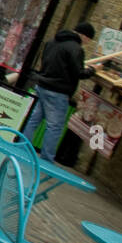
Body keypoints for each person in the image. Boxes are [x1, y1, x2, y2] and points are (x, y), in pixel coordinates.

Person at [21, 21, 97, 162]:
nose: (87, 43)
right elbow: (78, 73)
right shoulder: (76, 48)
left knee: (34, 120)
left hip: (43, 85)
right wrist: (92, 70)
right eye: (88, 39)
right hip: (58, 92)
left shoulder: (52, 41)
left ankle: (20, 147)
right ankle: (47, 159)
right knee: (55, 127)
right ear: (84, 36)